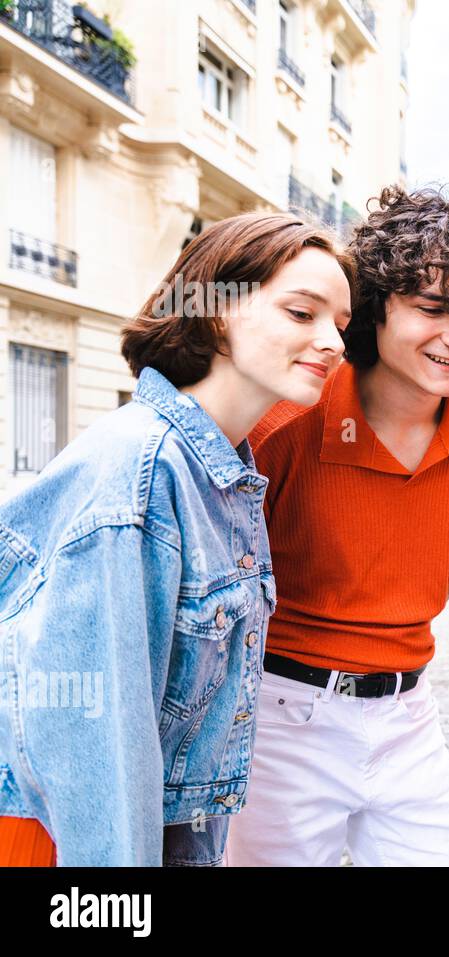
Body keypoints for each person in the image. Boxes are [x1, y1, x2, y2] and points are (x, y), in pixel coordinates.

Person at [0, 213, 353, 865]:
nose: (332, 341)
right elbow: (98, 749)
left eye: (341, 323)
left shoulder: (221, 472)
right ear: (215, 311)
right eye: (303, 313)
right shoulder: (141, 470)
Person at [225, 183, 449, 867]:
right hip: (283, 716)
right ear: (378, 309)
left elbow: (447, 569)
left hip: (409, 715)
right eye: (433, 308)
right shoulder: (289, 417)